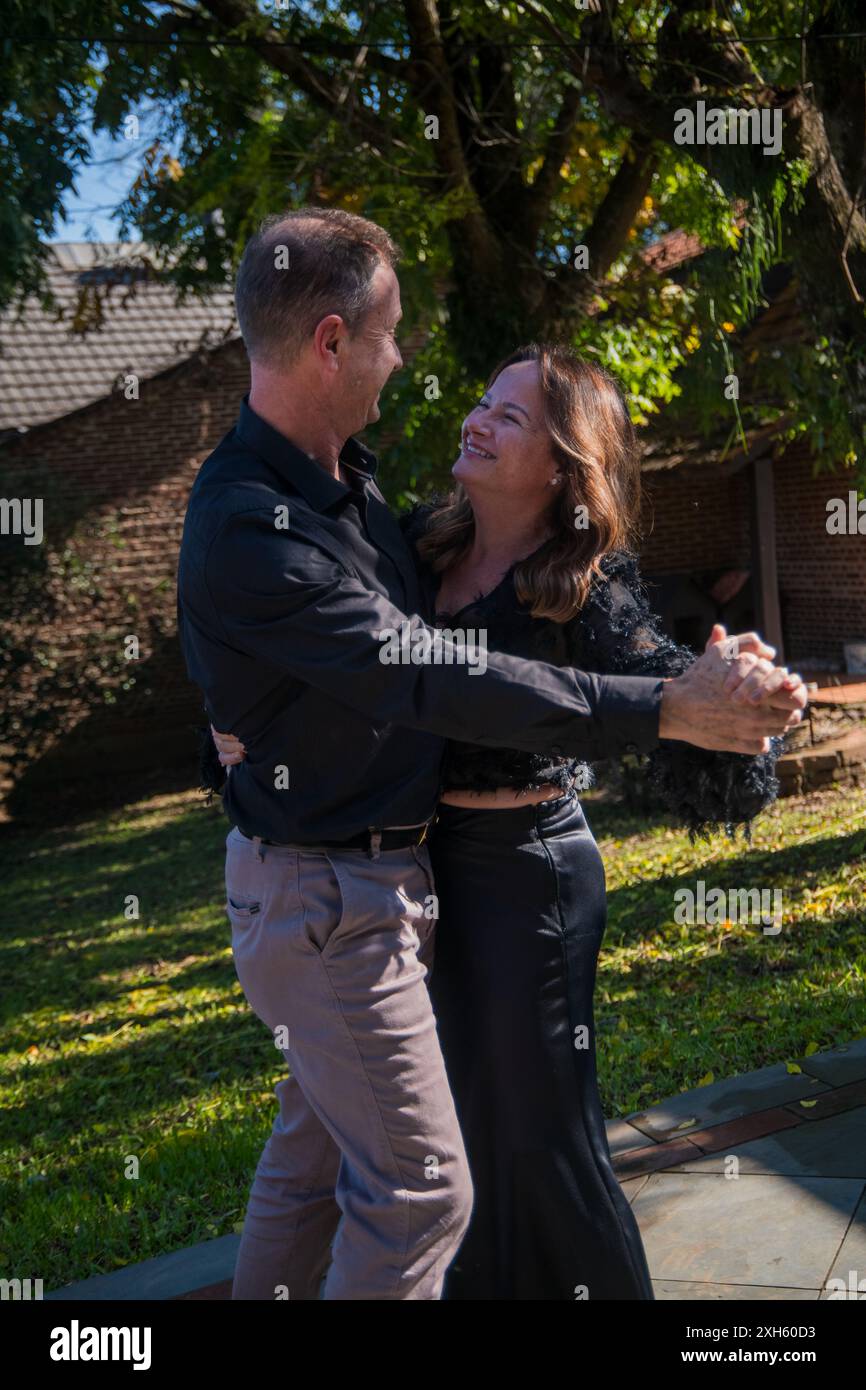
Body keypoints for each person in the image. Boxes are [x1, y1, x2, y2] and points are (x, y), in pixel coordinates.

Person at [182, 206, 807, 1301]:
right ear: (332, 341)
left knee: (467, 1149)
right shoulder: (356, 529)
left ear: (564, 466)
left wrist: (723, 694)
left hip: (492, 883)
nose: (417, 367)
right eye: (390, 334)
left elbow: (640, 672)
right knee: (418, 1176)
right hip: (363, 888)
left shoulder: (377, 503)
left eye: (504, 413)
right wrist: (229, 745)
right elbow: (403, 672)